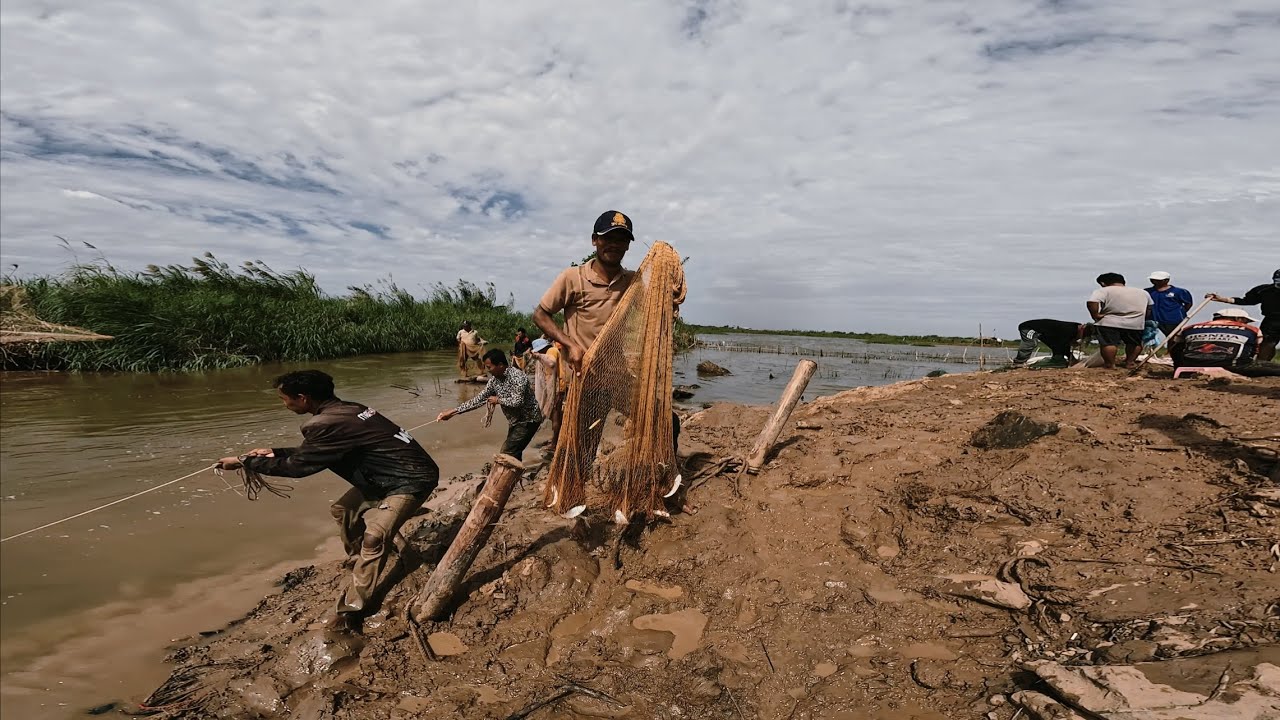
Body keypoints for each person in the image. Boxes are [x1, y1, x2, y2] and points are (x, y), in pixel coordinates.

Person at [216, 370, 439, 632]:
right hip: (384, 476)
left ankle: (350, 611)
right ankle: (360, 561)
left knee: (375, 537)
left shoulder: (323, 423)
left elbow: (298, 468)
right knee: (343, 510)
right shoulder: (349, 409)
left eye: (284, 399)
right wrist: (273, 451)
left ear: (302, 398)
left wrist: (245, 461)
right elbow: (319, 451)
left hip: (409, 480)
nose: (283, 404)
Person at [532, 210, 686, 453]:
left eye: (621, 240)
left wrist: (670, 293)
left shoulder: (633, 283)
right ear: (595, 240)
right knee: (584, 448)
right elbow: (540, 314)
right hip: (585, 380)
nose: (614, 245)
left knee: (666, 421)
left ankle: (662, 473)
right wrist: (571, 345)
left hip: (618, 376)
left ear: (627, 245)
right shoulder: (573, 278)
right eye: (608, 238)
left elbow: (654, 310)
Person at [436, 348, 543, 460]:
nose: (488, 371)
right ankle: (515, 476)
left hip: (529, 419)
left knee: (507, 452)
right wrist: (453, 412)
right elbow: (479, 399)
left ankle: (502, 477)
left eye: (489, 367)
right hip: (515, 420)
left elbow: (517, 401)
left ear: (500, 365)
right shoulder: (494, 381)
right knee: (514, 452)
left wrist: (498, 400)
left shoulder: (518, 377)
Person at [1207, 269, 1280, 362]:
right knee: (1267, 343)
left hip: (1271, 320)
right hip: (1271, 321)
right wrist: (1222, 299)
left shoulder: (1263, 290)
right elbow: (1246, 300)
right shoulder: (1263, 290)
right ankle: (1262, 364)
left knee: (1267, 343)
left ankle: (1262, 363)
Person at [1087, 273, 1153, 369]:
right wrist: (1143, 317)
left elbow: (1092, 302)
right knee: (1134, 343)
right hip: (1135, 322)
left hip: (1109, 321)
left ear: (1103, 283)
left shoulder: (1103, 291)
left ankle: (1110, 364)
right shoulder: (1142, 292)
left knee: (1109, 343)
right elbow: (1150, 307)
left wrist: (1095, 315)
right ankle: (1130, 362)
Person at [1169, 308, 1263, 370]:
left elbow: (1176, 347)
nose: (1247, 323)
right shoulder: (1252, 330)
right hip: (1232, 367)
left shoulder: (1189, 328)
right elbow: (1257, 350)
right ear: (1238, 319)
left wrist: (1179, 365)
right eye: (1246, 321)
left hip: (1191, 365)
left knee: (1178, 346)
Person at [528, 338, 566, 450]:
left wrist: (539, 356)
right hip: (554, 388)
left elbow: (552, 363)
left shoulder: (551, 351)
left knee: (555, 415)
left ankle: (554, 443)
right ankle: (558, 437)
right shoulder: (549, 352)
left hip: (558, 388)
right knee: (554, 415)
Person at [1011, 319, 1089, 366]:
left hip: (1044, 332)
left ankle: (1057, 358)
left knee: (1055, 344)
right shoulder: (1070, 330)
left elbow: (1060, 344)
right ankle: (1019, 362)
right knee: (1031, 343)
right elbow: (1064, 344)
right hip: (1028, 328)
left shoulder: (1073, 328)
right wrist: (1071, 357)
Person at [1144, 271, 1194, 338]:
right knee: (1147, 338)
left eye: (1158, 280)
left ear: (1166, 280)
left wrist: (1179, 313)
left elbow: (1188, 303)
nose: (1154, 281)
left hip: (1172, 320)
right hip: (1152, 319)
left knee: (1173, 338)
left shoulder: (1179, 291)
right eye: (1153, 280)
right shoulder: (1147, 291)